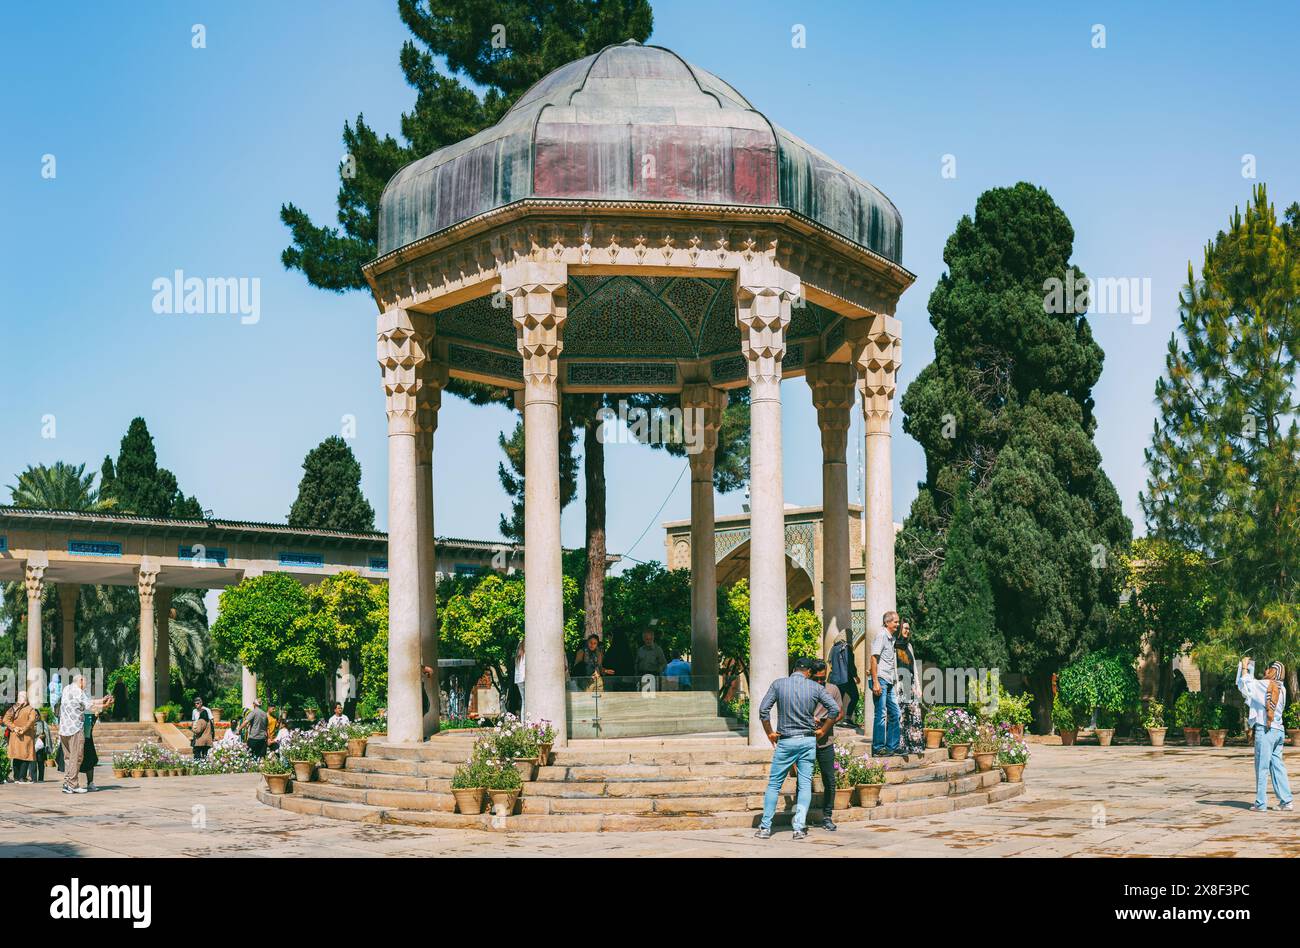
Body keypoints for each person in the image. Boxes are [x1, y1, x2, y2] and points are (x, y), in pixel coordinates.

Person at [754, 657, 840, 840]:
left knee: (774, 784)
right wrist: (823, 731)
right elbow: (834, 709)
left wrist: (769, 732)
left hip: (786, 741)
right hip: (808, 741)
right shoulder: (815, 688)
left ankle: (765, 827)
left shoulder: (778, 685)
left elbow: (763, 710)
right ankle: (799, 828)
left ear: (794, 669)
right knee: (805, 784)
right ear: (808, 672)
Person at [1238, 657, 1293, 812]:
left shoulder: (1266, 685)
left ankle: (1260, 803)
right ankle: (1286, 801)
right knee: (1277, 766)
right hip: (1278, 731)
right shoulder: (1282, 688)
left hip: (1266, 730)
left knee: (1262, 767)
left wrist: (1244, 667)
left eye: (1269, 669)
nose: (1266, 671)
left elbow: (1246, 685)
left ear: (1274, 671)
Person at [58, 675, 112, 793]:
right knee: (76, 757)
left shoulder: (67, 689)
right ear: (80, 681)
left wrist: (101, 700)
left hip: (63, 730)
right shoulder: (77, 690)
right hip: (74, 729)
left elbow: (87, 701)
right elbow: (90, 706)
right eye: (85, 683)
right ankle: (73, 784)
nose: (86, 685)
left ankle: (67, 784)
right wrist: (105, 706)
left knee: (68, 758)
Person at [811, 659, 846, 831]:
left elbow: (840, 713)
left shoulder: (832, 689)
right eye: (816, 679)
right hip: (807, 739)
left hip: (826, 741)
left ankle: (827, 816)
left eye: (822, 679)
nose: (819, 682)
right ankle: (800, 814)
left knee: (829, 779)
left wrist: (828, 721)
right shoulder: (805, 688)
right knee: (803, 780)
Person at [870, 611, 902, 756]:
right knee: (881, 714)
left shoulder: (891, 639)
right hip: (880, 680)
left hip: (888, 681)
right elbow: (873, 658)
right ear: (887, 622)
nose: (898, 624)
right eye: (895, 622)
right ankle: (878, 748)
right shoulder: (882, 635)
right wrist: (875, 681)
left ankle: (892, 746)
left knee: (895, 713)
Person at [895, 620, 924, 756]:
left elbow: (914, 669)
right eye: (905, 628)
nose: (907, 630)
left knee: (915, 715)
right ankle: (903, 746)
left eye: (908, 628)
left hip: (911, 685)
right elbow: (894, 668)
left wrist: (918, 686)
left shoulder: (909, 646)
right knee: (902, 716)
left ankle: (916, 746)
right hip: (900, 686)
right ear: (900, 629)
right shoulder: (894, 645)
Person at [3, 692, 39, 783]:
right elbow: (31, 721)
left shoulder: (13, 708)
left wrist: (14, 728)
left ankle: (16, 777)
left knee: (16, 756)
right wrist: (22, 729)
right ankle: (22, 778)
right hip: (25, 736)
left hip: (15, 736)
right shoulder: (31, 709)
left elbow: (5, 720)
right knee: (25, 757)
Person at [828, 632, 861, 730]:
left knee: (839, 700)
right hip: (846, 678)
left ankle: (835, 720)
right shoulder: (846, 647)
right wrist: (855, 676)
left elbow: (830, 662)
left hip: (835, 679)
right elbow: (850, 663)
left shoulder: (833, 648)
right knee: (855, 697)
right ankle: (847, 719)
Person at [33, 709, 54, 782]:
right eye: (34, 715)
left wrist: (42, 736)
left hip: (40, 746)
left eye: (37, 715)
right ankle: (33, 778)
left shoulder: (42, 723)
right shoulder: (29, 723)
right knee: (32, 763)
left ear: (39, 715)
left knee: (40, 762)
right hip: (31, 746)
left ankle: (41, 778)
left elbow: (47, 734)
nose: (35, 716)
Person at [514, 639, 527, 715]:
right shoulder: (525, 655)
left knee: (524, 702)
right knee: (526, 702)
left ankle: (523, 722)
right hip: (524, 679)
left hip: (519, 680)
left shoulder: (518, 656)